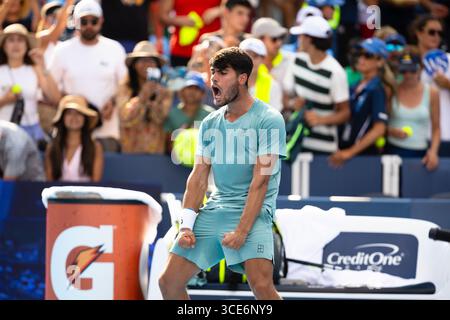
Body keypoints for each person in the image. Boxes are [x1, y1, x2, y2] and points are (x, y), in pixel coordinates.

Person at [159, 47, 286, 300]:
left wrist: (242, 230)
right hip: (217, 208)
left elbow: (261, 182)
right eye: (212, 72)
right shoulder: (209, 123)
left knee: (261, 287)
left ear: (242, 78)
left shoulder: (271, 119)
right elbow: (197, 178)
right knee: (168, 283)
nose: (213, 79)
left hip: (255, 213)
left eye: (222, 73)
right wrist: (186, 226)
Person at [49, 0, 127, 152]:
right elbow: (51, 87)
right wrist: (69, 103)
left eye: (94, 20)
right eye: (84, 21)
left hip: (106, 132)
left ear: (101, 20)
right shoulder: (61, 50)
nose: (89, 25)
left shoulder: (115, 48)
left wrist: (113, 101)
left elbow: (125, 84)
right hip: (71, 133)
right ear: (75, 22)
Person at [283, 15, 350, 154]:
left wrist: (320, 119)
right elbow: (286, 97)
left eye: (301, 35)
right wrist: (292, 104)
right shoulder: (297, 60)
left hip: (323, 150)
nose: (299, 39)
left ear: (309, 39)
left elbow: (345, 113)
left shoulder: (336, 72)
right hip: (294, 143)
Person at [330, 38, 389, 166]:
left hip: (363, 158)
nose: (361, 59)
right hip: (345, 153)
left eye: (367, 55)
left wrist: (350, 152)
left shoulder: (377, 89)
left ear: (380, 61)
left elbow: (379, 129)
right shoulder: (355, 86)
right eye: (359, 54)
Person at [0, 23, 61, 145]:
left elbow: (55, 98)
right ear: (4, 46)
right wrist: (5, 100)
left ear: (26, 45)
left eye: (20, 40)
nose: (16, 44)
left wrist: (43, 67)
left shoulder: (34, 69)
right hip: (4, 133)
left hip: (32, 132)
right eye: (11, 40)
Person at [386, 50, 440, 171]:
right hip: (393, 149)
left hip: (419, 152)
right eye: (404, 70)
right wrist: (391, 131)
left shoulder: (432, 93)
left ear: (420, 69)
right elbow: (381, 123)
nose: (408, 74)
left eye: (412, 70)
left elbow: (436, 128)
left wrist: (433, 151)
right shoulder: (391, 90)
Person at [117, 41, 172, 154]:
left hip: (156, 151)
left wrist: (157, 100)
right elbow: (124, 117)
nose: (147, 64)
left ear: (157, 65)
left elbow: (161, 119)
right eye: (141, 60)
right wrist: (142, 97)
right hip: (130, 150)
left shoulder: (165, 90)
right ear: (134, 65)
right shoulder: (124, 88)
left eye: (151, 60)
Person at [45, 94, 103, 182]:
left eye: (79, 113)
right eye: (69, 113)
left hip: (86, 195)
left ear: (85, 118)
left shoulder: (95, 147)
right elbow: (49, 182)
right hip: (58, 195)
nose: (74, 117)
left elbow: (95, 182)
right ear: (62, 118)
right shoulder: (52, 147)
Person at [412, 15, 450, 144]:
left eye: (440, 33)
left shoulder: (449, 60)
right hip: (415, 135)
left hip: (445, 133)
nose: (436, 37)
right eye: (432, 32)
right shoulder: (409, 63)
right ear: (419, 33)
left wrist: (448, 84)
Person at [159, 0, 222, 67]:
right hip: (182, 50)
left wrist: (218, 10)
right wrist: (180, 20)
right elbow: (162, 16)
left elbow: (231, 5)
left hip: (213, 50)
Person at [164, 71, 214, 144]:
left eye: (197, 88)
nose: (192, 92)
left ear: (203, 93)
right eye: (189, 87)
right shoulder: (172, 114)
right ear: (182, 90)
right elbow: (167, 143)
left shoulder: (211, 115)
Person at [251, 17, 293, 93]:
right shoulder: (247, 65)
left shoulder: (291, 59)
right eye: (274, 39)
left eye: (281, 37)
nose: (279, 43)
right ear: (260, 39)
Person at [239, 38, 283, 111]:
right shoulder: (228, 80)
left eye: (255, 56)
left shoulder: (273, 86)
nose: (250, 60)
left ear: (263, 59)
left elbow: (274, 119)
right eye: (246, 55)